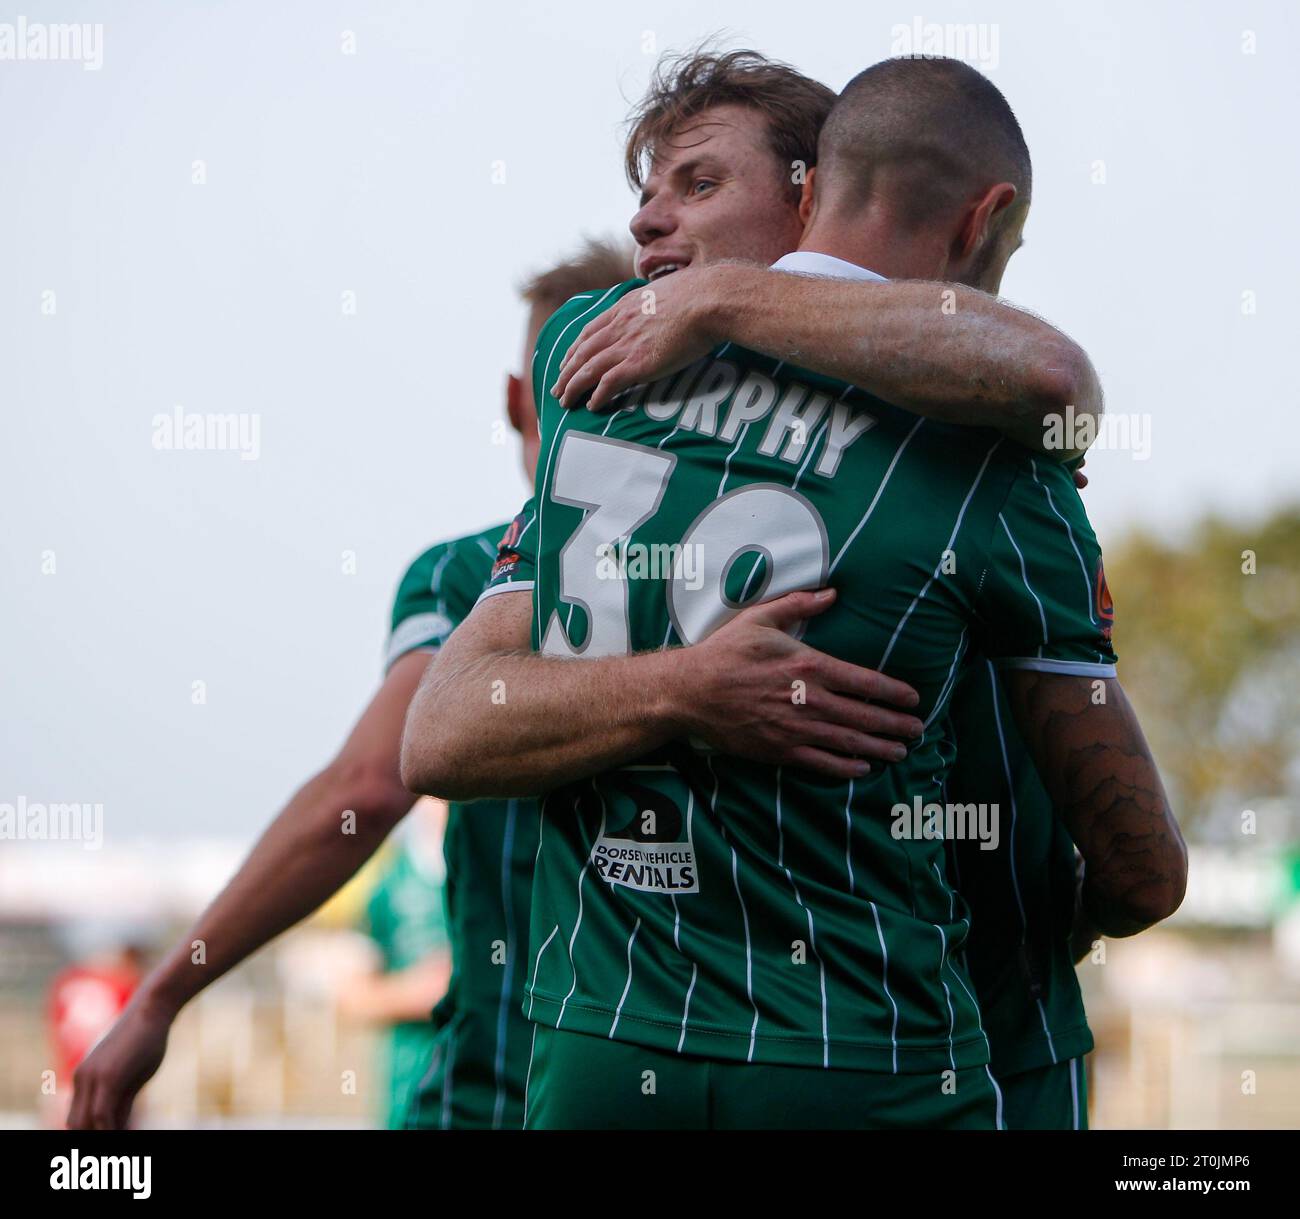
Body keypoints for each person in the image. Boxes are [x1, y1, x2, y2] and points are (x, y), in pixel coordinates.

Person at [403, 53, 1187, 1129]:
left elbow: (1046, 378)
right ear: (985, 218)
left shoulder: (593, 374)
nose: (648, 225)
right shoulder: (991, 452)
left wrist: (726, 296)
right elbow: (1143, 870)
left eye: (699, 185)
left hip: (603, 1047)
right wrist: (688, 686)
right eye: (647, 193)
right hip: (875, 1048)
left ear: (809, 190)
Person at [66, 239, 634, 1131]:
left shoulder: (465, 577)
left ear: (515, 400)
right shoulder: (728, 576)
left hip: (497, 1093)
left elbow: (365, 788)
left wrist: (160, 997)